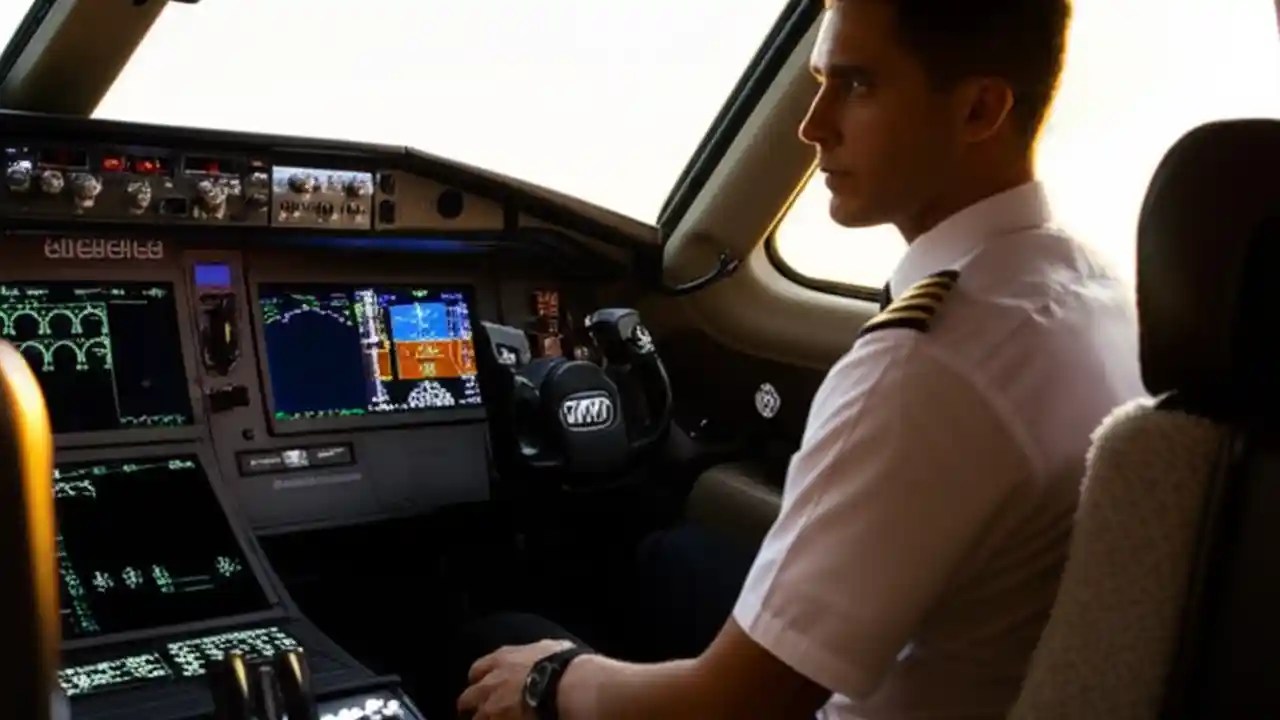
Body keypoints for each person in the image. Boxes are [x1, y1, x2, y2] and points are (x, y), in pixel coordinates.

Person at [458, 0, 1146, 717]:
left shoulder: (924, 369)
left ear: (979, 110)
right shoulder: (1089, 286)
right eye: (819, 80)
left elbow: (737, 704)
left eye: (857, 84)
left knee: (503, 642)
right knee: (673, 556)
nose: (811, 124)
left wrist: (551, 680)